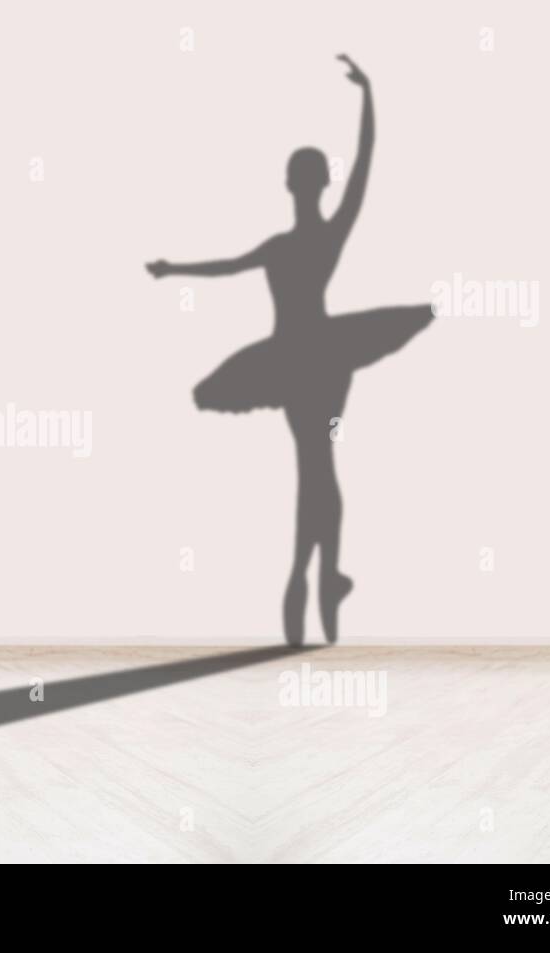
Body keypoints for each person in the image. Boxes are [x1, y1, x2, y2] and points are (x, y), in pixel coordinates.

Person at [146, 55, 435, 645]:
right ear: (320, 184)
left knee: (314, 465)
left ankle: (312, 578)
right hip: (326, 357)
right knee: (322, 466)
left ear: (287, 185)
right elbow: (365, 167)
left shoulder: (279, 247)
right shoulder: (326, 238)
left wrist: (172, 268)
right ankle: (320, 576)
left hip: (290, 357)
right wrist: (368, 96)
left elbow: (225, 267)